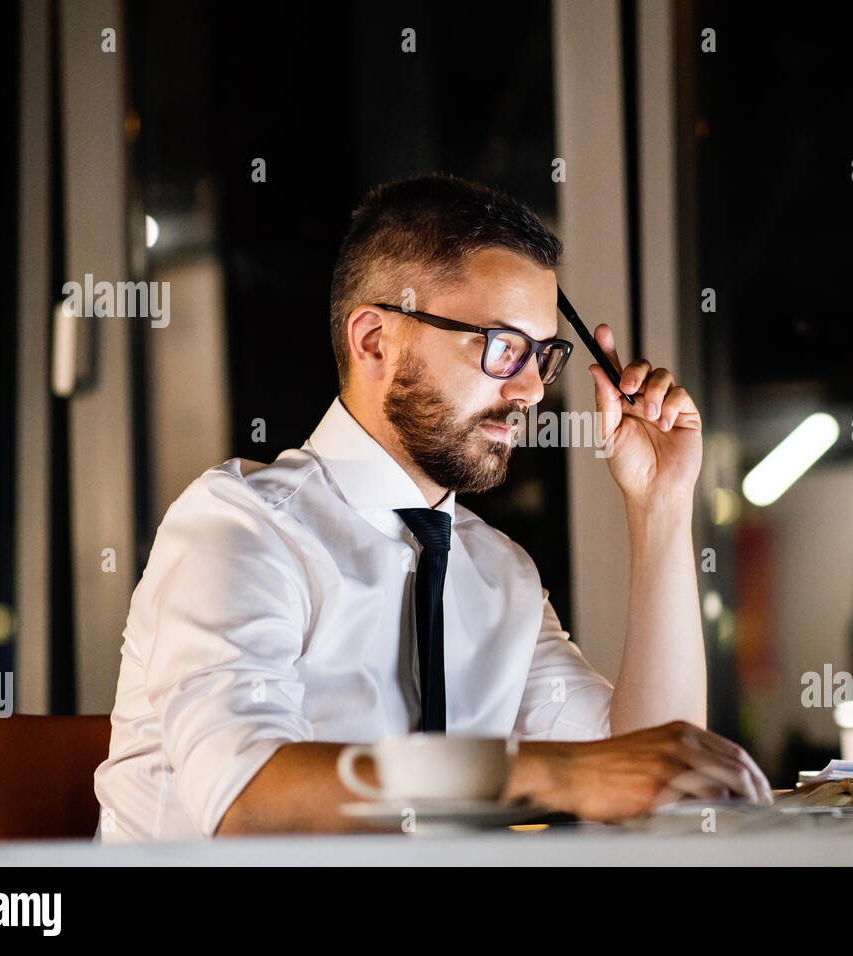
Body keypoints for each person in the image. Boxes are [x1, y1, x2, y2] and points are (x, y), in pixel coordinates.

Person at [94, 172, 771, 841]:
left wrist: (662, 507)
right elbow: (247, 800)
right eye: (505, 348)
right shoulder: (238, 526)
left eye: (544, 356)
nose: (533, 391)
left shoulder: (498, 572)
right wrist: (548, 774)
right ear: (375, 341)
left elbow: (658, 770)